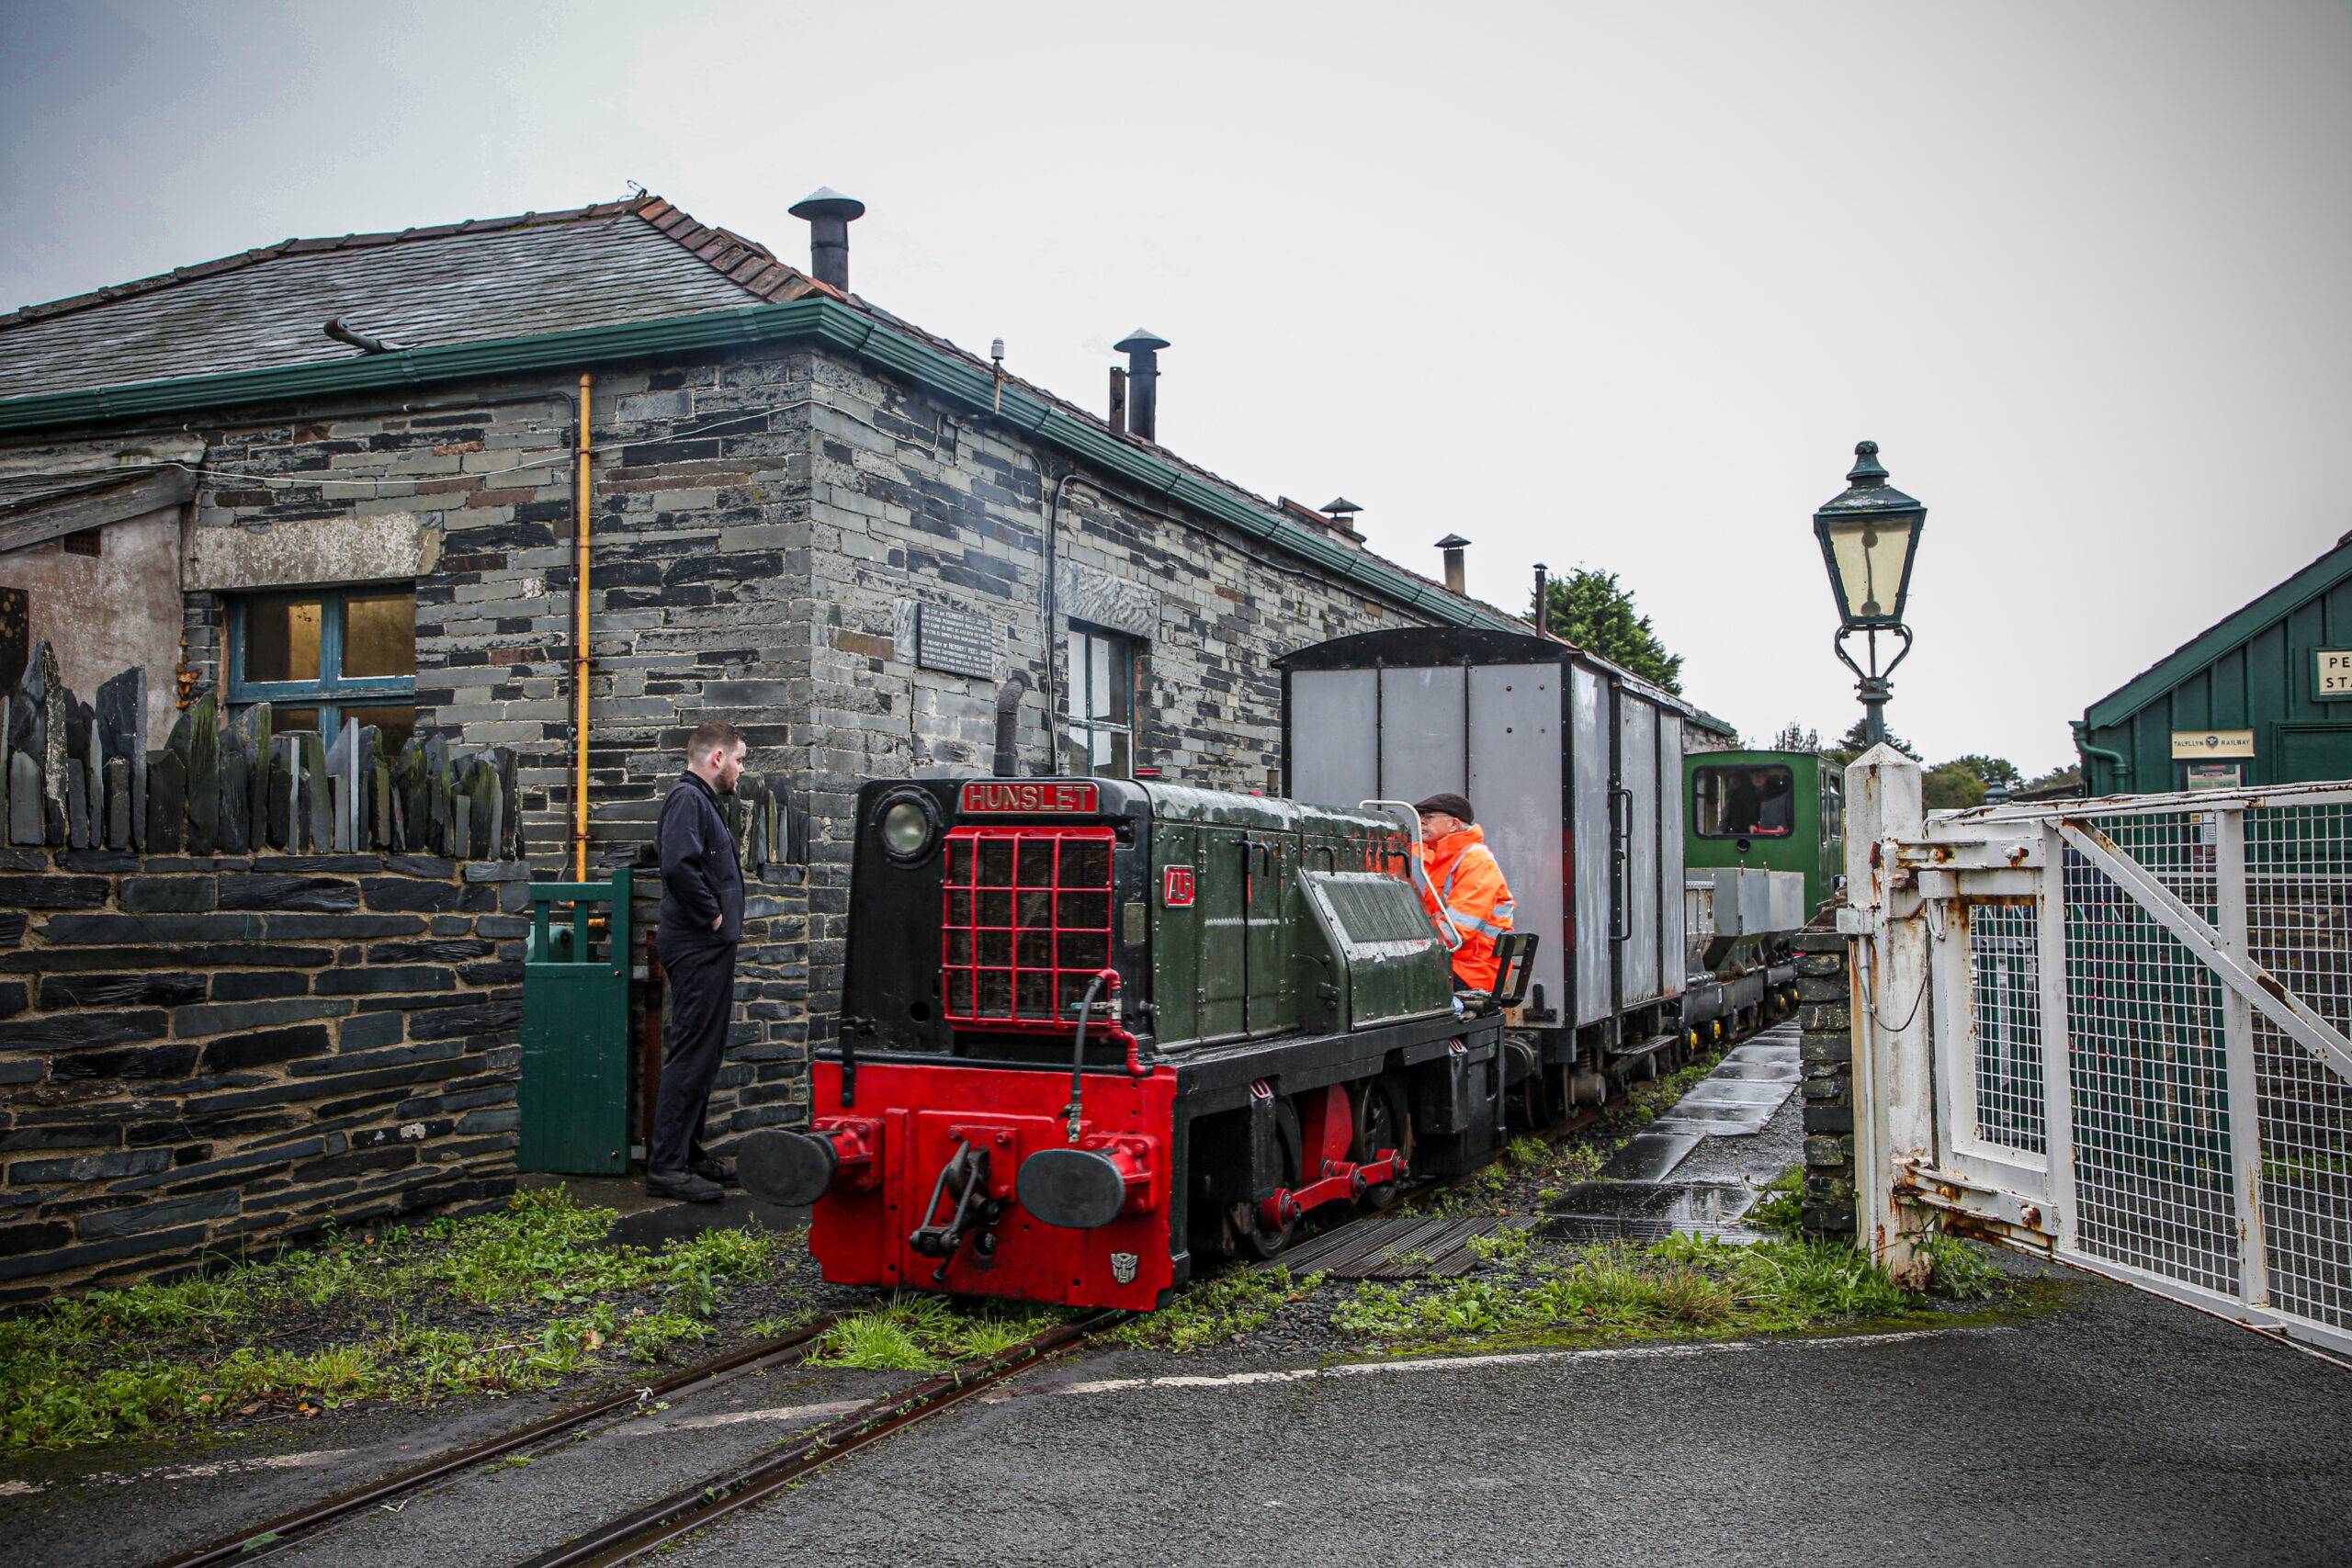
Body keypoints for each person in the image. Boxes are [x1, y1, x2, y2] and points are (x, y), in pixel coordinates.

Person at [648, 719, 749, 1203]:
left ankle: (688, 1154)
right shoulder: (688, 799)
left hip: (707, 946)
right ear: (717, 759)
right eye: (739, 759)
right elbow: (677, 866)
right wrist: (712, 917)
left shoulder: (702, 801)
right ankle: (666, 1166)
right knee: (691, 1051)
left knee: (704, 1052)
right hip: (695, 945)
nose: (741, 769)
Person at [1408, 792, 1518, 996]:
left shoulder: (1476, 862)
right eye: (1420, 816)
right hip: (1457, 963)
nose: (1421, 821)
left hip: (1473, 970)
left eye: (1429, 817)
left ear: (1453, 825)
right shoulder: (1440, 862)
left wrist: (1408, 949)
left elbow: (1457, 930)